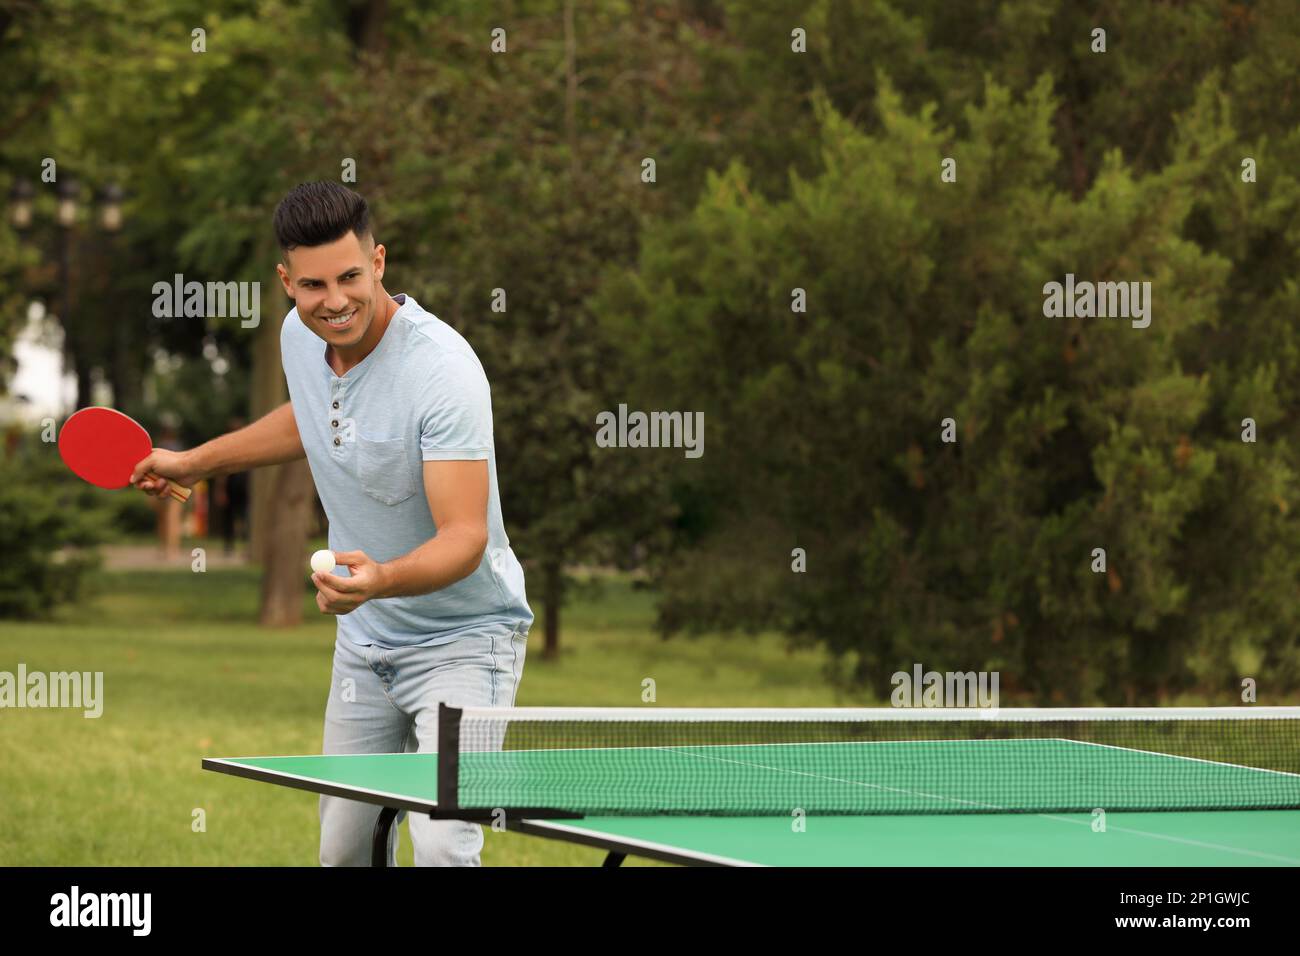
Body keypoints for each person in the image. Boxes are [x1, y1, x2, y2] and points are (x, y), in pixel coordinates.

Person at [131, 181, 532, 866]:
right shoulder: (300, 335)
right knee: (344, 852)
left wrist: (380, 579)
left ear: (379, 262)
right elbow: (314, 417)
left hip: (465, 641)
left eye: (350, 276)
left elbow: (465, 537)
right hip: (365, 644)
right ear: (287, 282)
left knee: (441, 844)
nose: (336, 300)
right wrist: (198, 462)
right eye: (314, 285)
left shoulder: (443, 373)